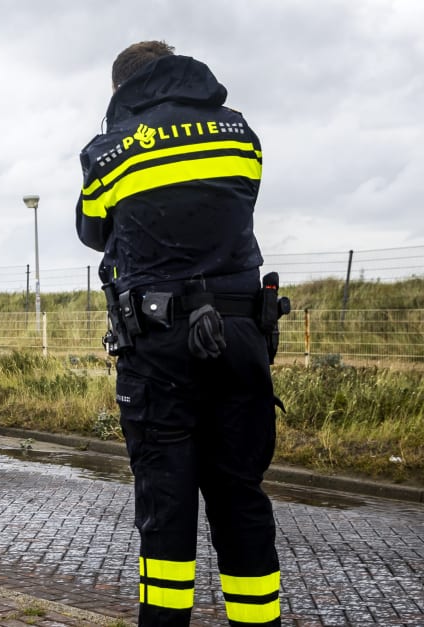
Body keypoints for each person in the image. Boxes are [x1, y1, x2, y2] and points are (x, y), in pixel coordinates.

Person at [75, 41, 282, 626]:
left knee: (167, 508)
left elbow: (94, 231)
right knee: (241, 498)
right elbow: (231, 208)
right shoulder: (241, 134)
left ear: (121, 90)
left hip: (159, 350)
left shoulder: (109, 152)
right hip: (242, 336)